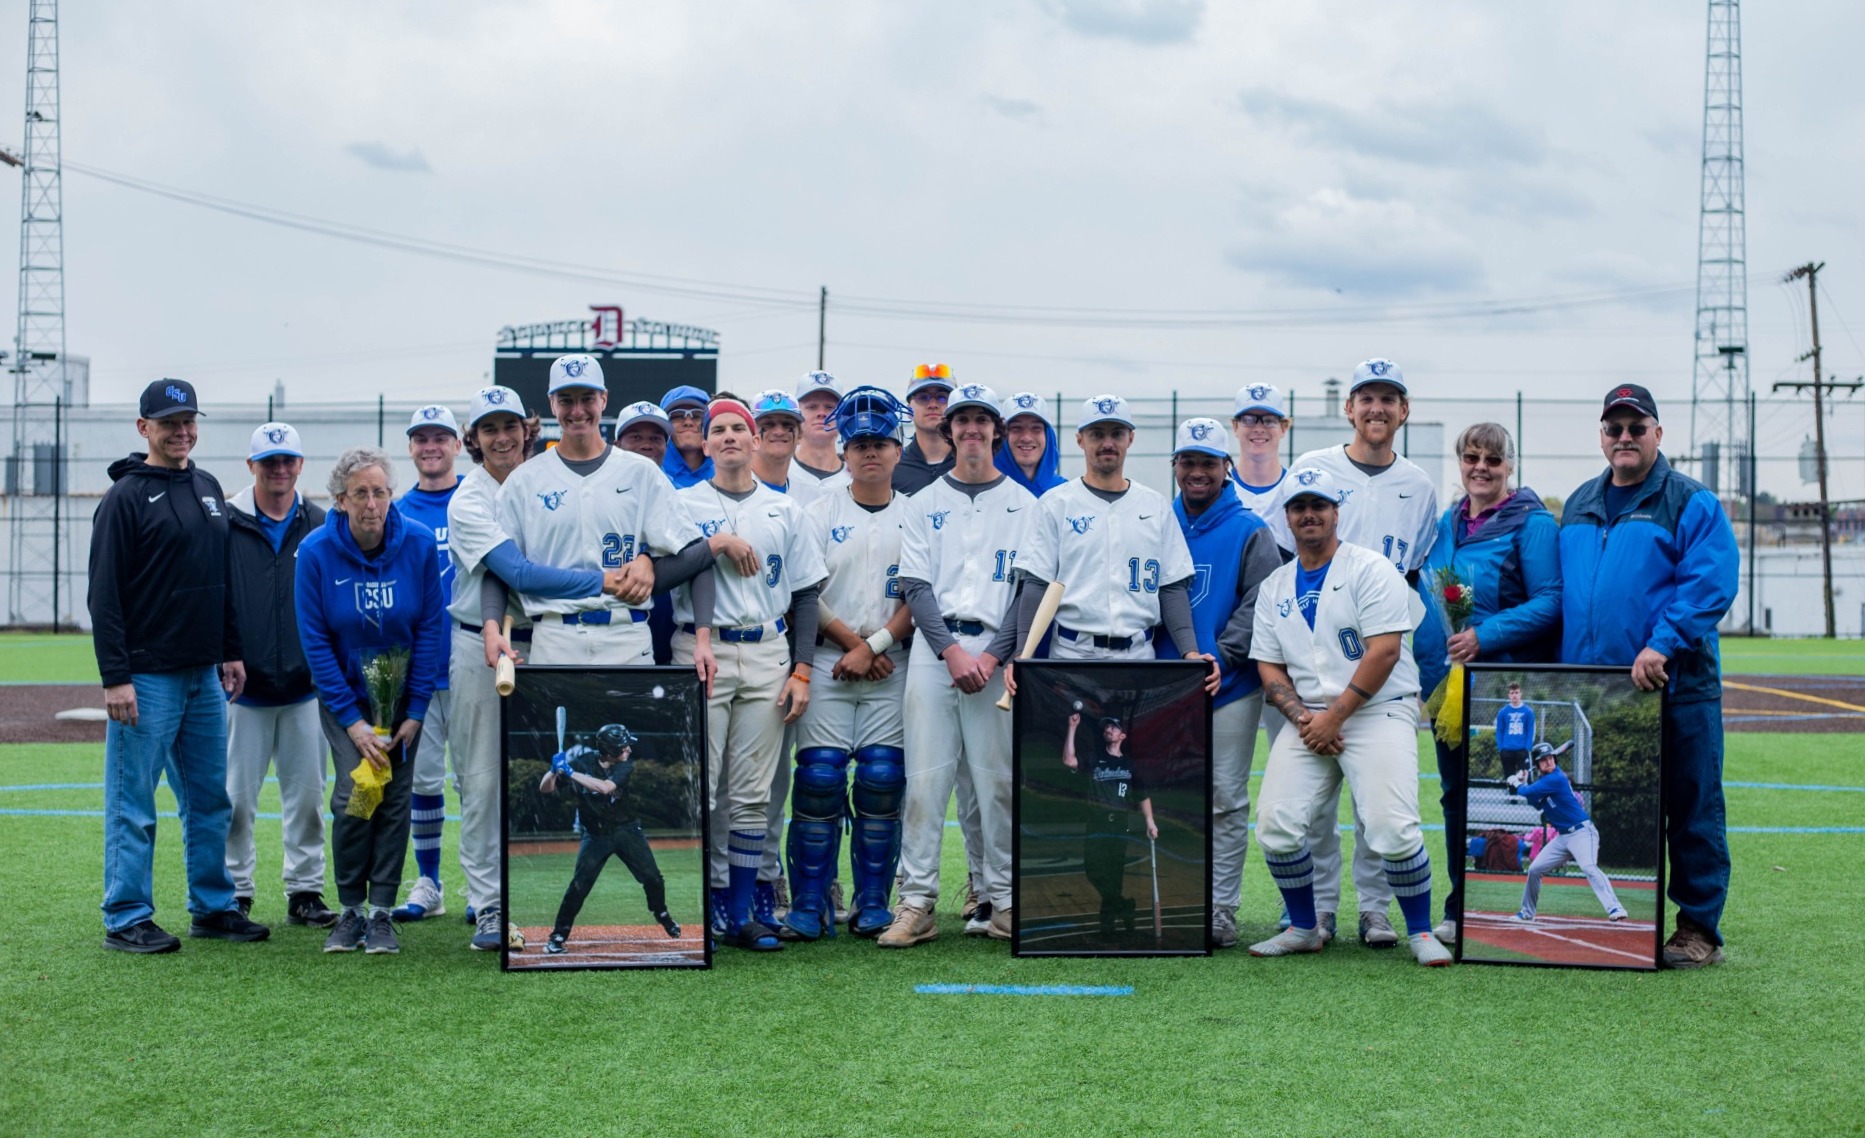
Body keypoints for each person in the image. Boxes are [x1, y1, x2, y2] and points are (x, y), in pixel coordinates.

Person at [1558, 383, 1738, 968]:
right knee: (1613, 809)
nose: (1625, 437)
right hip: (1602, 691)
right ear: (1602, 436)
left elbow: (1710, 582)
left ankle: (1697, 929)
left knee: (1691, 806)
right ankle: (1625, 921)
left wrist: (1662, 643)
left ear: (1658, 434)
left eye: (1637, 427)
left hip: (1674, 686)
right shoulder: (1582, 501)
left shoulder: (1690, 500)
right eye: (1615, 428)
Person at [89, 378, 268, 953]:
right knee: (133, 801)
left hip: (203, 675)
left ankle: (212, 907)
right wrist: (116, 677)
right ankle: (126, 915)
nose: (182, 432)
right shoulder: (123, 498)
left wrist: (231, 649)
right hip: (146, 676)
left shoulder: (209, 487)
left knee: (210, 800)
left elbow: (223, 581)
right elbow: (105, 595)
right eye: (169, 423)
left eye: (189, 421)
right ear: (145, 429)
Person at [1246, 467, 1452, 966]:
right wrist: (1304, 718)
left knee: (1391, 827)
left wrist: (1335, 717)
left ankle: (1421, 932)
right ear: (1287, 517)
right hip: (1310, 719)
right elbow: (1268, 665)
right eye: (1299, 506)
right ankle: (1303, 926)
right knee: (1275, 823)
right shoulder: (1275, 585)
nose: (1309, 514)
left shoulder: (1371, 567)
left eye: (1319, 505)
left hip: (1378, 709)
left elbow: (1383, 652)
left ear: (1337, 512)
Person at [1290, 358, 1438, 949]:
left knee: (1381, 790)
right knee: (1316, 792)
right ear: (1348, 408)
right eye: (1365, 398)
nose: (1376, 408)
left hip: (1385, 652)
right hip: (1317, 650)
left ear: (1404, 411)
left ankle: (1374, 910)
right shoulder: (1312, 468)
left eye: (1389, 398)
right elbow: (1287, 556)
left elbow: (1416, 571)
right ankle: (1320, 909)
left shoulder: (1420, 484)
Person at [881, 384, 1036, 947]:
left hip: (996, 654)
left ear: (996, 430)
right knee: (925, 783)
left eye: (981, 421)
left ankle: (1006, 902)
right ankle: (917, 903)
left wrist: (993, 655)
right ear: (949, 431)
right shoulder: (923, 503)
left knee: (997, 785)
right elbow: (915, 587)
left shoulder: (1025, 504)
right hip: (935, 652)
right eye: (962, 421)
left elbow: (1031, 590)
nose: (972, 429)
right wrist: (951, 651)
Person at [671, 395, 827, 951]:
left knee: (752, 793)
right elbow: (663, 572)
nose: (731, 436)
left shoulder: (786, 510)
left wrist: (803, 669)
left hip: (767, 648)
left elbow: (806, 595)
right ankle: (704, 906)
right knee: (701, 788)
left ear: (757, 441)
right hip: (700, 648)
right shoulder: (682, 502)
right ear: (705, 443)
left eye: (741, 428)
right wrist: (715, 542)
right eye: (720, 430)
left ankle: (741, 914)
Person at [1412, 423, 1561, 944]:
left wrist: (1484, 634)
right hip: (1447, 685)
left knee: (1510, 795)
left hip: (1502, 679)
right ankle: (1460, 905)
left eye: (1492, 460)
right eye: (1471, 457)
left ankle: (1531, 898)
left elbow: (1550, 600)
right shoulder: (1447, 521)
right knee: (1456, 797)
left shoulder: (1534, 523)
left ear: (1509, 466)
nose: (1480, 467)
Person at [296, 447, 447, 955]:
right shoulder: (315, 553)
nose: (371, 504)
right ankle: (350, 909)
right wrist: (354, 723)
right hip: (348, 704)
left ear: (391, 496)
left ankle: (381, 911)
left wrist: (417, 709)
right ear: (340, 500)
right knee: (355, 798)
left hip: (403, 704)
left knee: (394, 803)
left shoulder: (420, 545)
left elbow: (429, 628)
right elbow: (315, 642)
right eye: (359, 493)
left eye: (379, 492)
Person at [783, 387, 917, 939]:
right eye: (859, 443)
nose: (870, 453)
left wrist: (876, 645)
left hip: (892, 666)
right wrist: (855, 647)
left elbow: (923, 595)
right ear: (842, 448)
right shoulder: (814, 512)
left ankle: (871, 902)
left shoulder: (918, 514)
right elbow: (804, 592)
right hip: (826, 660)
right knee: (818, 781)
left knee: (883, 782)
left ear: (898, 448)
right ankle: (810, 903)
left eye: (881, 443)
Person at [1155, 417, 1282, 948]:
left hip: (1228, 684)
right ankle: (1169, 899)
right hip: (1162, 683)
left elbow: (1261, 602)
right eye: (1189, 461)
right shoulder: (1156, 521)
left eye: (1209, 462)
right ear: (1175, 467)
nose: (1198, 472)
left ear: (1227, 467)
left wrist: (1221, 658)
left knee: (1226, 799)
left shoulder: (1252, 528)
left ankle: (1220, 907)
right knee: (1162, 798)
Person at [496, 356, 686, 667]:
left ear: (604, 399)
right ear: (552, 404)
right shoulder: (525, 480)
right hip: (555, 634)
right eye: (566, 400)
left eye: (587, 398)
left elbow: (685, 548)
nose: (577, 410)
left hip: (627, 633)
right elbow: (502, 567)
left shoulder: (641, 471)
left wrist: (649, 560)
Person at [1008, 395, 1208, 681]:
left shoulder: (1155, 506)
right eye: (1097, 434)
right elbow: (1037, 585)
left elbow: (1171, 588)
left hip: (1138, 655)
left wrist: (1190, 652)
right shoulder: (1056, 504)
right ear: (1080, 440)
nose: (1107, 443)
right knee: (1073, 728)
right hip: (1072, 655)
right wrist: (1021, 655)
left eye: (1116, 433)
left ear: (1131, 439)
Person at [223, 422, 335, 929]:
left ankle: (306, 890)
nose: (280, 470)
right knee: (234, 802)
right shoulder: (224, 519)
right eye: (269, 462)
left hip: (304, 687)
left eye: (288, 461)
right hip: (241, 691)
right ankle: (235, 892)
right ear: (252, 467)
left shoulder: (321, 522)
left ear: (300, 465)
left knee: (308, 799)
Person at [393, 404, 464, 922]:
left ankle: (486, 887)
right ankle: (429, 882)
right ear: (411, 447)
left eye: (441, 437)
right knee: (423, 782)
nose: (431, 446)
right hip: (418, 672)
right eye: (422, 438)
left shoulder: (478, 501)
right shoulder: (395, 512)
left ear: (458, 444)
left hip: (470, 664)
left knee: (477, 783)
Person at [540, 724, 681, 954]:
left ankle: (661, 913)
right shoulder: (583, 762)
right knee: (578, 886)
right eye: (624, 746)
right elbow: (545, 789)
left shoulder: (625, 766)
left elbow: (605, 788)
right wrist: (554, 771)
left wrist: (571, 772)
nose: (629, 749)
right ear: (611, 750)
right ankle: (558, 935)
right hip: (596, 835)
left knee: (653, 878)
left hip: (626, 830)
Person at [1506, 742, 1628, 923]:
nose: (1548, 762)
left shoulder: (1556, 778)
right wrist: (1523, 783)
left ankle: (1615, 907)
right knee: (1535, 869)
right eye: (1543, 760)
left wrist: (1516, 782)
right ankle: (1527, 912)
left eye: (1550, 758)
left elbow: (1529, 791)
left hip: (1582, 833)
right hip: (1563, 837)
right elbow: (1535, 801)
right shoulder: (1544, 783)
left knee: (1588, 867)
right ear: (1537, 765)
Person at [1060, 713, 1158, 935]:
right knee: (1093, 871)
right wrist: (1072, 727)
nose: (1109, 730)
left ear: (1122, 735)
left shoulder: (1130, 765)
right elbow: (1068, 760)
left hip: (1119, 826)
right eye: (1106, 728)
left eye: (1114, 728)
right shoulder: (1094, 759)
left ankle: (1107, 927)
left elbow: (1142, 795)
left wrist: (1149, 822)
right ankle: (1125, 906)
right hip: (1096, 824)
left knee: (1114, 877)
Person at [1229, 383, 1296, 555]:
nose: (1259, 429)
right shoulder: (1219, 489)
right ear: (1235, 426)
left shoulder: (1296, 488)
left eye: (1269, 420)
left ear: (1283, 428)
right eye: (1248, 420)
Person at [891, 364, 955, 495]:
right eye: (923, 397)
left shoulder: (971, 464)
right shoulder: (891, 467)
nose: (933, 405)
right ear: (909, 409)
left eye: (942, 397)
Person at [994, 391, 1066, 497]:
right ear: (1002, 435)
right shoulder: (986, 491)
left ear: (1048, 436)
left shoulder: (1064, 492)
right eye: (1016, 428)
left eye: (1036, 428)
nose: (1026, 438)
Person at [792, 370, 848, 486]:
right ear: (797, 414)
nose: (821, 413)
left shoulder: (856, 478)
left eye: (829, 407)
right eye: (812, 407)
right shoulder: (779, 472)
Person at [659, 384, 714, 489]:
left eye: (697, 415)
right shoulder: (652, 474)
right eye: (678, 416)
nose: (688, 422)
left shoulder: (725, 473)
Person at [615, 400, 672, 467]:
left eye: (655, 438)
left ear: (666, 446)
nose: (646, 446)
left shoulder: (670, 477)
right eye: (636, 437)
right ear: (617, 446)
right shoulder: (602, 476)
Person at [1495, 683, 1536, 771]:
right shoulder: (1502, 712)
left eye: (1517, 692)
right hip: (1506, 750)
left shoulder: (1528, 712)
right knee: (1509, 779)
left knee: (1525, 778)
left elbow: (1531, 731)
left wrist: (1527, 748)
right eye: (1512, 693)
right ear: (1509, 695)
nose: (1514, 695)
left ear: (1521, 694)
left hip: (1522, 750)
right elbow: (1499, 731)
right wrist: (1500, 748)